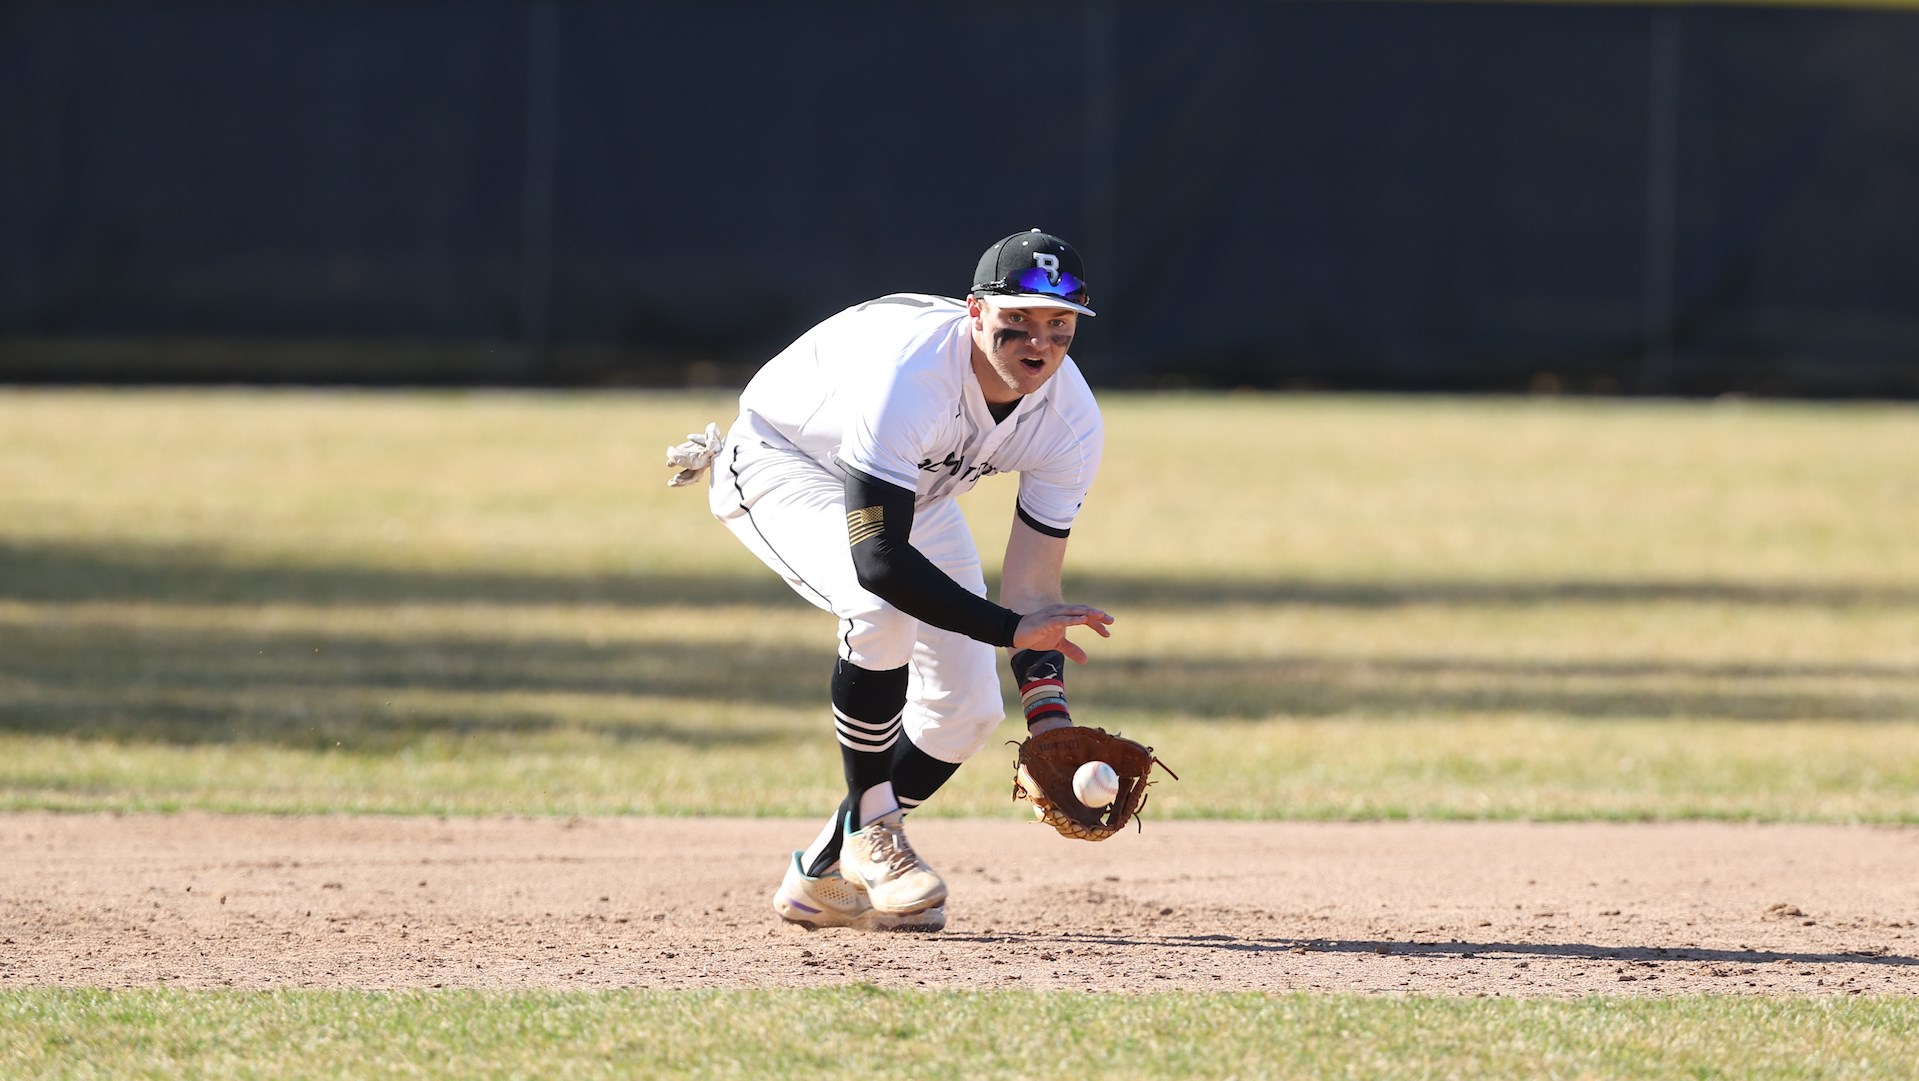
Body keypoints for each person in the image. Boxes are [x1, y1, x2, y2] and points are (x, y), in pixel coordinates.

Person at [668, 229, 1113, 932]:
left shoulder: (1070, 421)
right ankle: (875, 831)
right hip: (786, 460)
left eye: (1059, 326)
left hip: (911, 493)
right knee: (877, 605)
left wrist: (1048, 716)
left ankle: (820, 874)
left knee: (965, 709)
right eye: (1016, 322)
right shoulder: (915, 375)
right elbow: (879, 560)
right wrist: (1002, 629)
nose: (1039, 343)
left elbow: (1031, 593)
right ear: (974, 314)